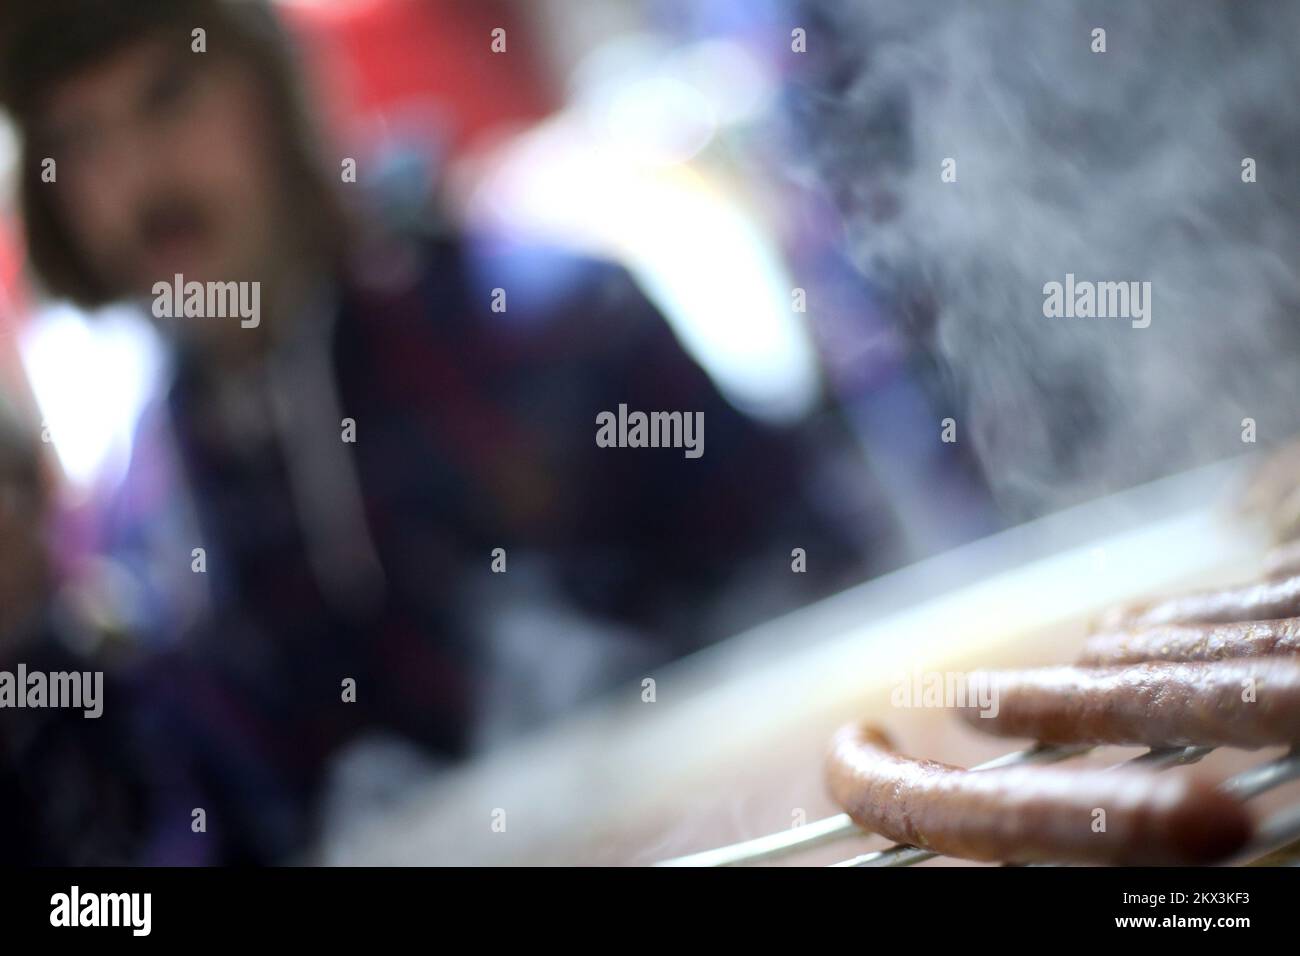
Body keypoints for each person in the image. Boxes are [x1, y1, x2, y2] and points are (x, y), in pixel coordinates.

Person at [0, 0, 883, 862]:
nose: (140, 173)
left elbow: (832, 606)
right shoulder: (140, 526)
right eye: (79, 140)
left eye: (169, 94)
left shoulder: (554, 322)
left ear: (270, 90)